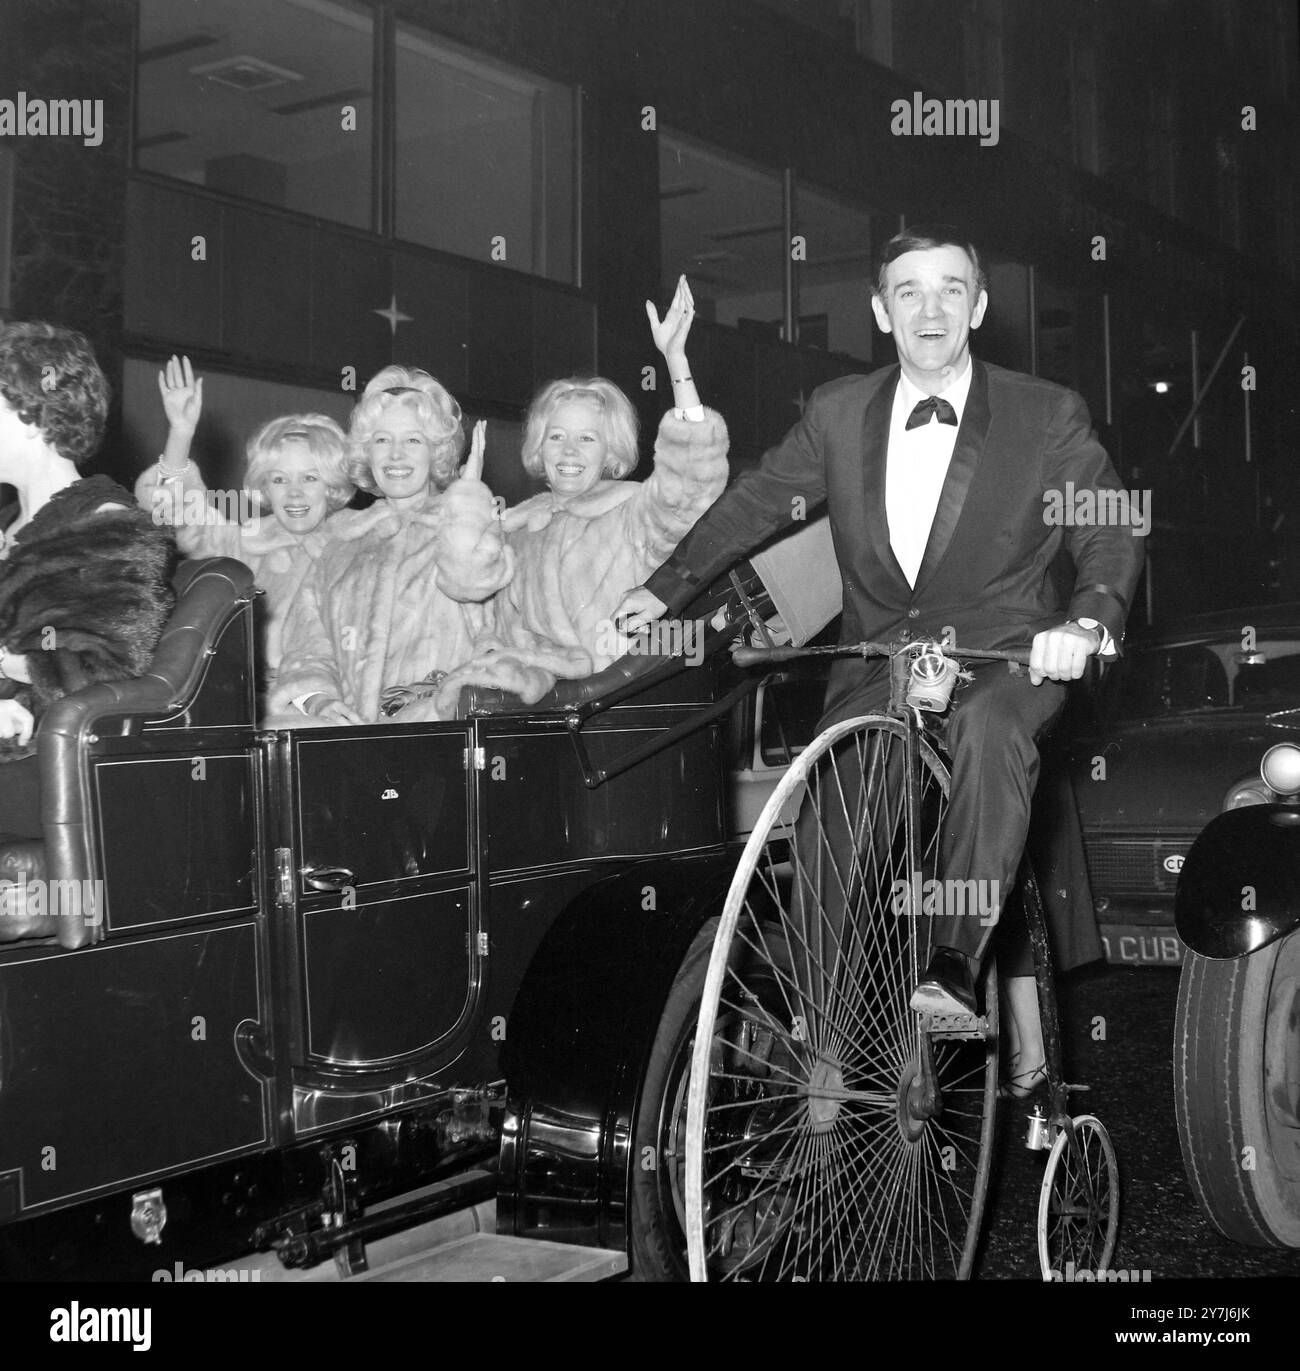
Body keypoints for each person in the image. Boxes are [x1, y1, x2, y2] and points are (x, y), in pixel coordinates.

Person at [616, 225, 1144, 1095]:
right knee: (829, 827)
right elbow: (756, 502)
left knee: (989, 726)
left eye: (949, 290)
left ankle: (951, 961)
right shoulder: (836, 411)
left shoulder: (1045, 412)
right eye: (908, 291)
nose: (929, 309)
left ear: (976, 306)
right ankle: (818, 1056)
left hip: (1004, 656)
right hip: (879, 662)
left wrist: (1085, 623)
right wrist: (665, 588)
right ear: (878, 309)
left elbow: (1106, 526)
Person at [432, 275, 728, 710]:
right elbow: (467, 592)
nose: (569, 451)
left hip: (619, 708)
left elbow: (690, 483)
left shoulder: (632, 513)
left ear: (612, 451)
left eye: (587, 439)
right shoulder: (517, 526)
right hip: (537, 711)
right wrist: (468, 499)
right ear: (538, 445)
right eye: (556, 437)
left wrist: (675, 360)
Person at [0, 322, 174, 838]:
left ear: (32, 412)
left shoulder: (105, 522)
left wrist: (14, 664)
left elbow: (111, 672)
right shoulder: (12, 523)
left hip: (51, 763)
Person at [267, 367, 511, 725]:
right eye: (382, 440)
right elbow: (307, 645)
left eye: (412, 440)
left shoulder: (472, 525)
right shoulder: (340, 542)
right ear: (366, 451)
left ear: (437, 452)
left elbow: (470, 583)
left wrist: (467, 502)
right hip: (351, 743)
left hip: (443, 739)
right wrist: (319, 700)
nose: (396, 455)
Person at [134, 355, 356, 688]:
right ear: (264, 487)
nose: (294, 494)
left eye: (309, 478)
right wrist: (180, 433)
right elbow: (172, 512)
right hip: (256, 712)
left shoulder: (359, 545)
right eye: (279, 480)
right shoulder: (246, 545)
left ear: (333, 485)